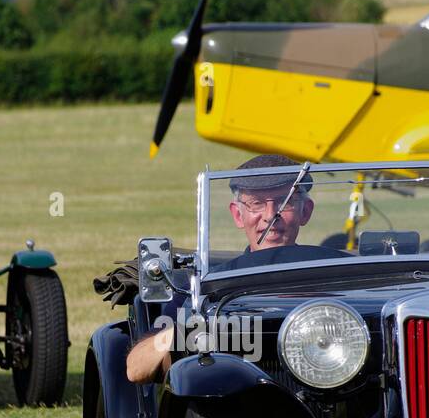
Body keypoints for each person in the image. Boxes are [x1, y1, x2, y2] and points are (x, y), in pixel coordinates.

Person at [126, 153, 314, 384]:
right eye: (256, 203)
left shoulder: (338, 278)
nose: (270, 216)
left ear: (305, 211)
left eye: (285, 202)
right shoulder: (206, 287)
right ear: (237, 214)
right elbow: (136, 368)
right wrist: (193, 330)